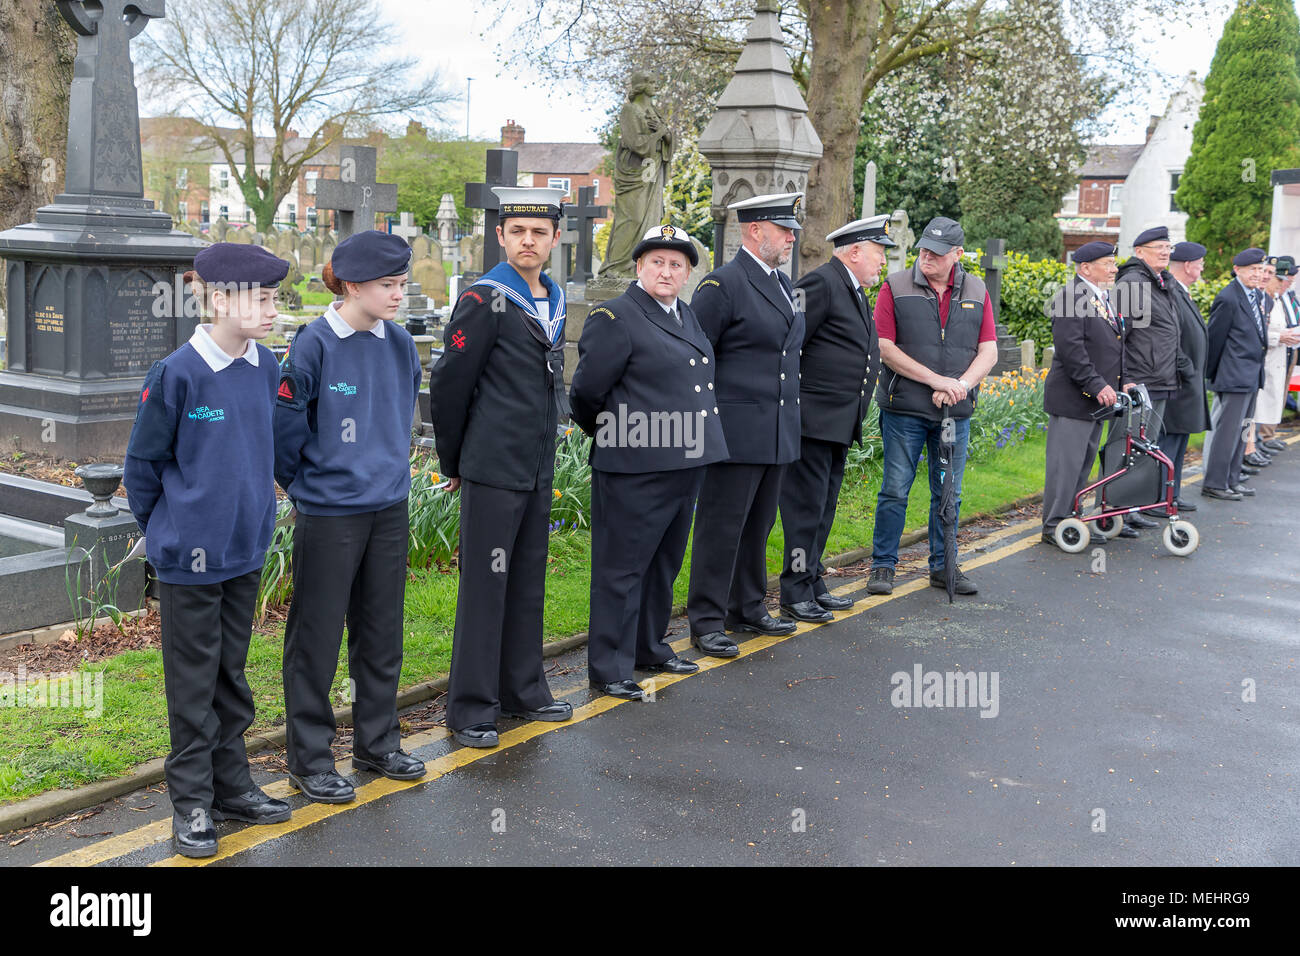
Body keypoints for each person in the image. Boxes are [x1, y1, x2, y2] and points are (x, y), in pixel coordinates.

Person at [124, 243, 291, 858]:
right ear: (220, 300)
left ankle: (232, 786)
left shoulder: (266, 365)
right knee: (192, 685)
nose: (276, 309)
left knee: (230, 675)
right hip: (189, 559)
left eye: (276, 298)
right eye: (265, 298)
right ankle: (191, 802)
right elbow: (143, 467)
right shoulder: (177, 374)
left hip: (244, 551)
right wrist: (174, 527)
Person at [274, 230, 426, 802]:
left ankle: (377, 742)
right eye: (388, 285)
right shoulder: (313, 343)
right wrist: (311, 485)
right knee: (315, 640)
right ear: (354, 284)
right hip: (329, 512)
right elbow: (285, 431)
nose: (398, 295)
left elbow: (401, 411)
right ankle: (310, 761)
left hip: (388, 507)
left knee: (381, 633)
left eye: (402, 284)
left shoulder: (399, 343)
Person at [431, 187, 574, 747]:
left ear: (555, 238)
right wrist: (455, 459)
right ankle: (470, 707)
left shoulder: (553, 296)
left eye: (539, 232)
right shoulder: (484, 298)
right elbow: (450, 383)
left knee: (527, 581)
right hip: (492, 465)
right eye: (517, 231)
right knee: (486, 587)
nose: (528, 241)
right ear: (500, 236)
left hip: (537, 464)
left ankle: (523, 689)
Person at [569, 225, 729, 699]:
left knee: (663, 561)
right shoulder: (615, 316)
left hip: (687, 458)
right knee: (622, 568)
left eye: (676, 265)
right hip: (634, 463)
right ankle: (609, 664)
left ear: (686, 275)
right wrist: (621, 436)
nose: (666, 271)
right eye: (657, 262)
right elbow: (586, 393)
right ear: (639, 267)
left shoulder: (685, 314)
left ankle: (649, 646)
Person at [686, 192, 805, 658]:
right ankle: (707, 618)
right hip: (734, 431)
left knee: (759, 525)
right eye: (784, 229)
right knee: (721, 526)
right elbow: (697, 359)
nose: (792, 236)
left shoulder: (782, 284)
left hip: (775, 430)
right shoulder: (722, 285)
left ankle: (747, 606)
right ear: (755, 231)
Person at [866, 216, 998, 596]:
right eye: (924, 248)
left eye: (937, 253)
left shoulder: (976, 289)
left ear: (957, 254)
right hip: (904, 408)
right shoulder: (895, 286)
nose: (927, 256)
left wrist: (959, 386)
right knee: (895, 489)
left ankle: (943, 566)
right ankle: (883, 566)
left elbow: (988, 351)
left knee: (949, 493)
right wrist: (935, 381)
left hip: (953, 411)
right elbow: (885, 347)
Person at [778, 215, 893, 621]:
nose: (883, 263)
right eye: (880, 253)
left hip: (838, 423)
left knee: (823, 508)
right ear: (856, 251)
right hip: (812, 421)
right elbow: (789, 344)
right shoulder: (822, 282)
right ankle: (793, 590)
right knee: (804, 511)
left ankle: (811, 579)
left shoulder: (854, 289)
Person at [1041, 241, 1134, 547]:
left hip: (1096, 400)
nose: (1114, 268)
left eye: (1113, 263)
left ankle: (1071, 518)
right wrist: (1098, 386)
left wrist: (1124, 382)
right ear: (1085, 268)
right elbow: (1073, 353)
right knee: (1065, 467)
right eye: (1108, 263)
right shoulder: (1070, 298)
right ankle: (1055, 524)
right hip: (1074, 399)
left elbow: (1113, 346)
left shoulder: (1100, 297)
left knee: (1081, 465)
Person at [1112, 225, 1185, 531]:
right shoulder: (1132, 282)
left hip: (1160, 378)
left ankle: (1130, 508)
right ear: (1139, 251)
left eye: (1169, 247)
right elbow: (1119, 336)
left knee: (1145, 448)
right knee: (1126, 447)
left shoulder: (1160, 281)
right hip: (1140, 380)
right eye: (1159, 247)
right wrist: (1124, 378)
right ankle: (1113, 511)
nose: (1166, 253)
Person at [1203, 247, 1271, 500]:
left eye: (1260, 269)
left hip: (1251, 377)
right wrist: (1213, 375)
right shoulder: (1228, 297)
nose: (1257, 274)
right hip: (1233, 377)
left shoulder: (1256, 297)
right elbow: (1216, 339)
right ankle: (1215, 482)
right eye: (1252, 269)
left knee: (1242, 432)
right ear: (1237, 270)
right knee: (1227, 434)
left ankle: (1232, 478)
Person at [1162, 241, 1212, 512]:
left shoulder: (1182, 291)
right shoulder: (1171, 291)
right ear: (1189, 265)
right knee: (1168, 443)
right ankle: (1161, 496)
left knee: (1179, 442)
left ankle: (1173, 494)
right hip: (1178, 381)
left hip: (1187, 381)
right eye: (1200, 263)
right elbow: (1171, 338)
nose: (1203, 267)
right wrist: (1187, 368)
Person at [1255, 256, 1300, 452]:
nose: (1285, 283)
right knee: (1257, 405)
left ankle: (1265, 437)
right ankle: (1254, 442)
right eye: (1279, 279)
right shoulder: (1262, 298)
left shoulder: (1281, 298)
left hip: (1285, 352)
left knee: (1277, 395)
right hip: (1260, 359)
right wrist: (1279, 337)